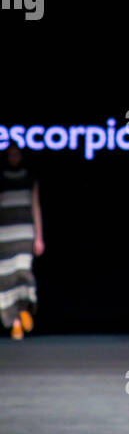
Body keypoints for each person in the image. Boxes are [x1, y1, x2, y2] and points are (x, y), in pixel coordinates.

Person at [0, 144, 44, 339]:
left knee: (23, 273)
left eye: (17, 154)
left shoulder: (29, 178)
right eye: (11, 154)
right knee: (5, 279)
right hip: (4, 234)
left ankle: (25, 309)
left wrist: (39, 236)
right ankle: (15, 323)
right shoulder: (0, 178)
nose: (14, 157)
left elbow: (36, 207)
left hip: (24, 232)